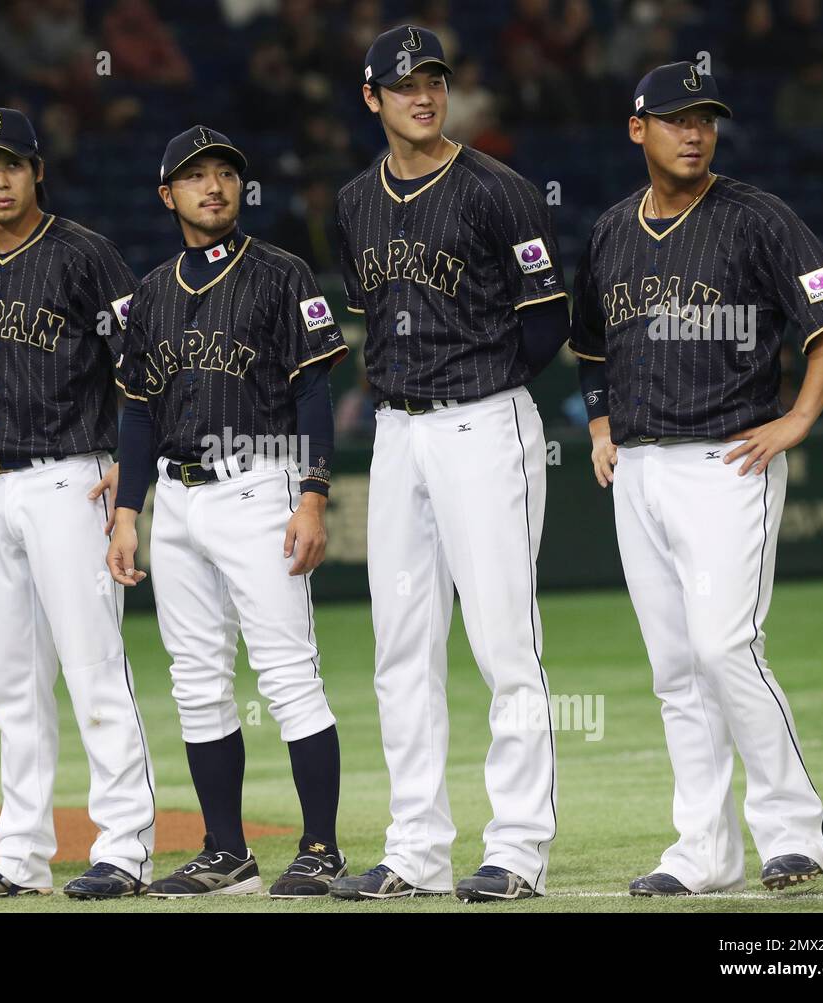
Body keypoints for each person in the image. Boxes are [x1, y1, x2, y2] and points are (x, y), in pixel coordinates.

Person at [568, 62, 823, 895]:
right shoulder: (610, 231)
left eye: (704, 119)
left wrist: (800, 418)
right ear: (639, 130)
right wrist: (598, 424)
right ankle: (703, 847)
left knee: (723, 644)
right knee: (675, 665)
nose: (694, 132)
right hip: (638, 467)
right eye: (674, 119)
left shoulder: (756, 218)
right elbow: (589, 340)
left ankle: (795, 830)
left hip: (728, 460)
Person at [330, 26, 567, 903]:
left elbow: (546, 319)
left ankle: (517, 849)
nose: (422, 96)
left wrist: (484, 385)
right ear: (372, 99)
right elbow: (371, 316)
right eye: (403, 85)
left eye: (433, 80)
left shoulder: (497, 189)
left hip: (482, 425)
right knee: (400, 647)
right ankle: (416, 848)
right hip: (398, 434)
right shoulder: (354, 201)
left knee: (505, 641)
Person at [109, 126, 350, 898]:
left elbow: (315, 387)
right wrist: (126, 510)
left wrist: (314, 493)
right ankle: (226, 850)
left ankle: (320, 847)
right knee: (196, 679)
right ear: (167, 195)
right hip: (176, 499)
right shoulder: (148, 294)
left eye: (224, 173)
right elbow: (138, 412)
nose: (213, 186)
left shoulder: (282, 273)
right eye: (194, 177)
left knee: (286, 673)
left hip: (260, 483)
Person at [0, 107, 156, 902]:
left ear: (37, 171)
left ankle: (125, 846)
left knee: (95, 670)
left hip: (73, 477)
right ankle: (20, 854)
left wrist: (130, 473)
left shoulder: (85, 254)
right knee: (12, 685)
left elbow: (147, 363)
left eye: (12, 166)